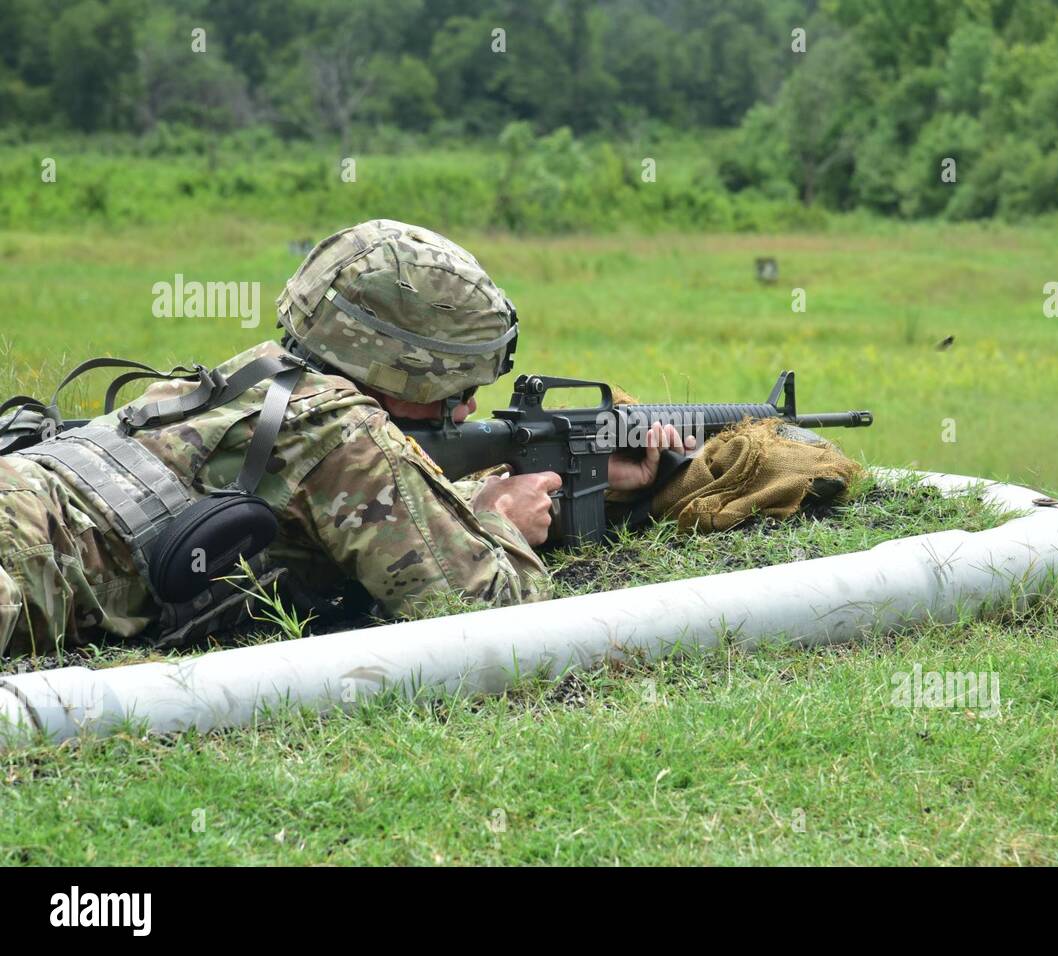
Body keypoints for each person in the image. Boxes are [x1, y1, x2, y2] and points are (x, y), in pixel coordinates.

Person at [0, 219, 689, 657]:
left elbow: (344, 508)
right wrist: (498, 519)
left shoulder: (256, 377)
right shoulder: (347, 435)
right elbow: (484, 619)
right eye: (458, 383)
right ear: (401, 366)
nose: (471, 402)